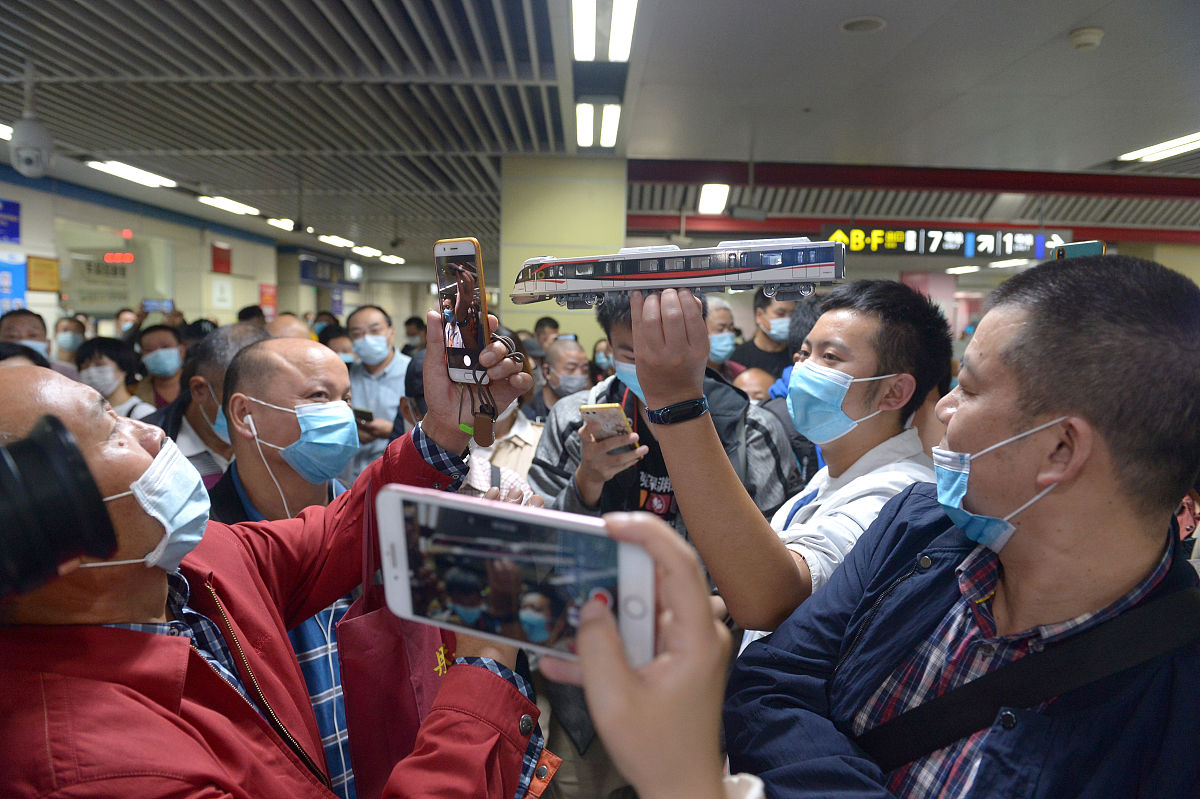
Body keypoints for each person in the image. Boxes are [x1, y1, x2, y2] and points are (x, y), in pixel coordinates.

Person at [0, 307, 550, 797]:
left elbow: (340, 530)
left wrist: (445, 427)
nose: (148, 431)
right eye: (112, 430)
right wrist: (483, 668)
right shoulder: (99, 771)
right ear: (54, 529)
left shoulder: (195, 567)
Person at [725, 255, 1200, 797]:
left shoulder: (1175, 707)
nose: (945, 407)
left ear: (1061, 447)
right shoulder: (914, 528)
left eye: (969, 389)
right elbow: (767, 685)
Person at [526, 291, 800, 797]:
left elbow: (775, 566)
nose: (648, 367)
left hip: (700, 687)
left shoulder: (749, 427)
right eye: (630, 353)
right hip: (582, 683)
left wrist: (702, 610)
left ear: (696, 344)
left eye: (664, 350)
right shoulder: (572, 420)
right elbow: (536, 552)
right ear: (608, 348)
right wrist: (587, 480)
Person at [630, 281, 950, 633]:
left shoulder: (899, 497)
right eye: (804, 353)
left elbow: (770, 599)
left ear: (894, 391)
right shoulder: (836, 475)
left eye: (829, 357)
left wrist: (679, 405)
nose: (803, 370)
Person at [208, 336, 362, 799]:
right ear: (244, 414)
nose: (341, 413)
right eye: (319, 397)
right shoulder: (206, 547)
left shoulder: (377, 518)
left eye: (346, 398)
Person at [145, 323, 271, 489]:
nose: (252, 414)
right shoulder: (149, 450)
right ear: (199, 390)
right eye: (240, 403)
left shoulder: (279, 442)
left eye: (266, 400)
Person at [341, 305, 411, 483]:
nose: (367, 338)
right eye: (357, 333)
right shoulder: (343, 375)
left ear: (391, 332)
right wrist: (352, 431)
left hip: (393, 478)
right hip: (350, 477)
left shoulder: (414, 373)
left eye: (374, 330)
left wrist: (392, 431)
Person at [75, 336, 156, 420]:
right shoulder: (83, 414)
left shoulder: (143, 412)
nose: (91, 372)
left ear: (123, 367)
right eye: (84, 366)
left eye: (99, 364)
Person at [729, 288, 796, 378]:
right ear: (759, 315)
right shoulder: (738, 358)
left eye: (792, 314)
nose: (788, 320)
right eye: (780, 314)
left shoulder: (797, 355)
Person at [523, 337, 592, 424]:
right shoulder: (529, 410)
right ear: (547, 371)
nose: (579, 375)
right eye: (571, 369)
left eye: (585, 370)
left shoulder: (590, 406)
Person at [0, 308, 79, 380]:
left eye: (32, 335)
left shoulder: (67, 374)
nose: (23, 341)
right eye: (12, 336)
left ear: (48, 345)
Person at [135, 324, 186, 408]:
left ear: (182, 350)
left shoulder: (203, 387)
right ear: (142, 356)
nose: (158, 354)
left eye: (165, 347)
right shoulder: (134, 393)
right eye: (149, 350)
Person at [704, 295, 746, 383]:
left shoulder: (739, 373)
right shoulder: (689, 376)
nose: (727, 334)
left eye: (731, 328)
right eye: (720, 329)